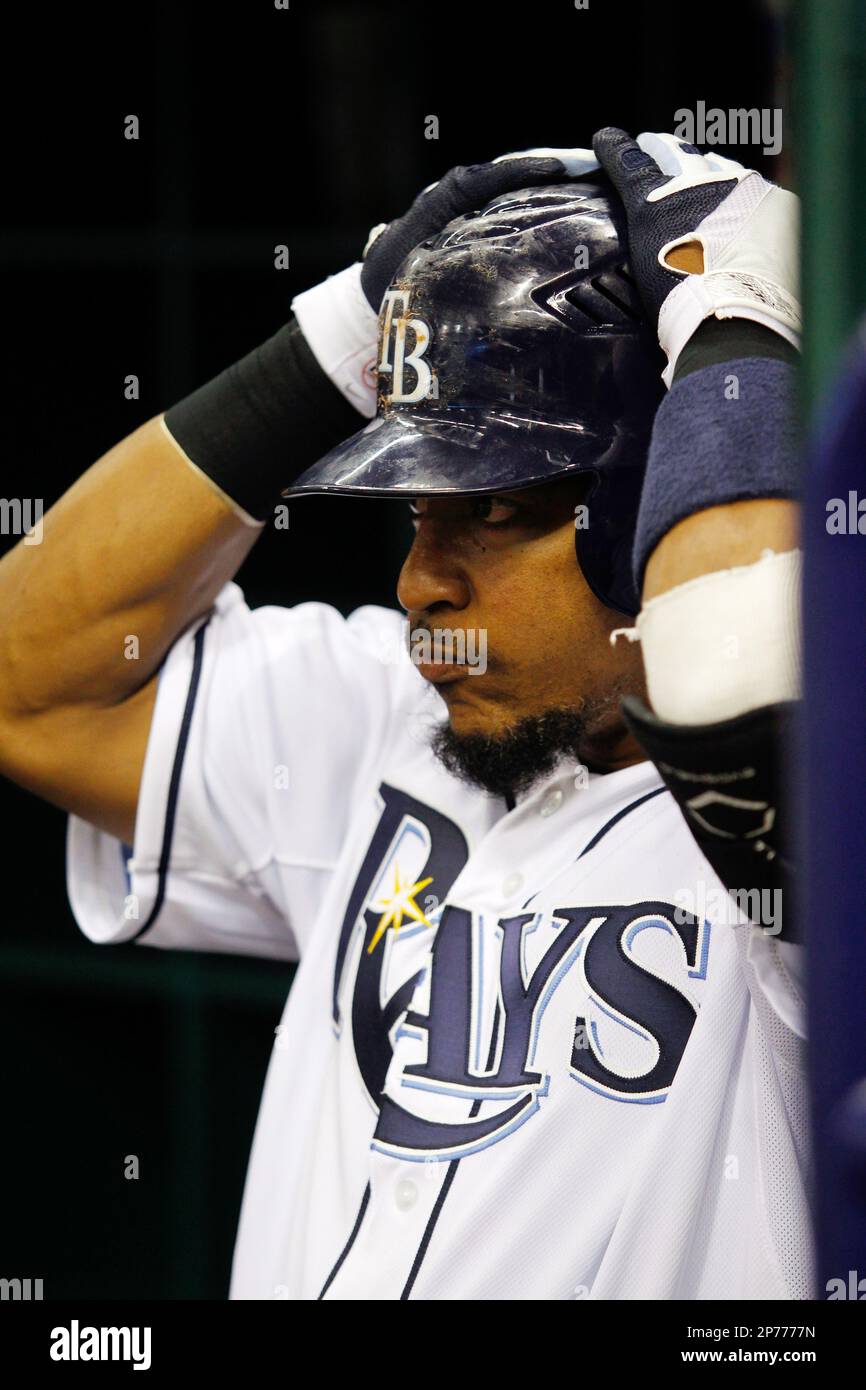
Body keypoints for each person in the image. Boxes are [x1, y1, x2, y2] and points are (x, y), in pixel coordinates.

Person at [0, 131, 810, 1299]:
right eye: (419, 514)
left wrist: (734, 317)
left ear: (641, 514)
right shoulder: (388, 710)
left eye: (494, 511)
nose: (418, 581)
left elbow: (746, 677)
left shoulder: (797, 814)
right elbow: (31, 679)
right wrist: (344, 335)